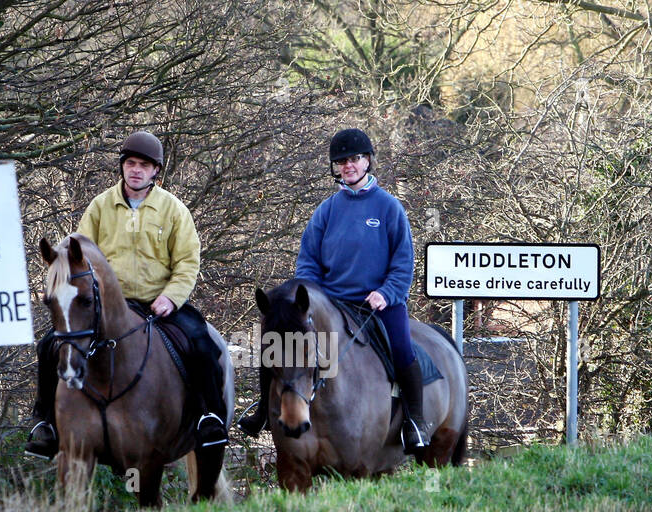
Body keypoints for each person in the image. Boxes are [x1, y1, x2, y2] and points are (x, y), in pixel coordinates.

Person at [26, 130, 228, 458]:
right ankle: (46, 423)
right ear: (122, 166)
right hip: (106, 308)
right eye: (131, 163)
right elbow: (78, 253)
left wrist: (171, 298)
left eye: (144, 165)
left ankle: (208, 418)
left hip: (160, 304)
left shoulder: (174, 211)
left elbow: (188, 262)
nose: (136, 170)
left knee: (203, 346)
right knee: (50, 344)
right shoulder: (101, 207)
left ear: (156, 171)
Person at [238, 127, 428, 453]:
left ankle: (415, 422)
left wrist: (386, 292)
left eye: (354, 159)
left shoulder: (389, 208)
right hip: (332, 302)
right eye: (341, 161)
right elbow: (308, 261)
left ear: (367, 161)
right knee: (280, 341)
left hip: (379, 303)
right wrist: (312, 294)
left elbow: (403, 263)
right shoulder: (326, 210)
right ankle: (262, 414)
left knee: (402, 350)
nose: (348, 166)